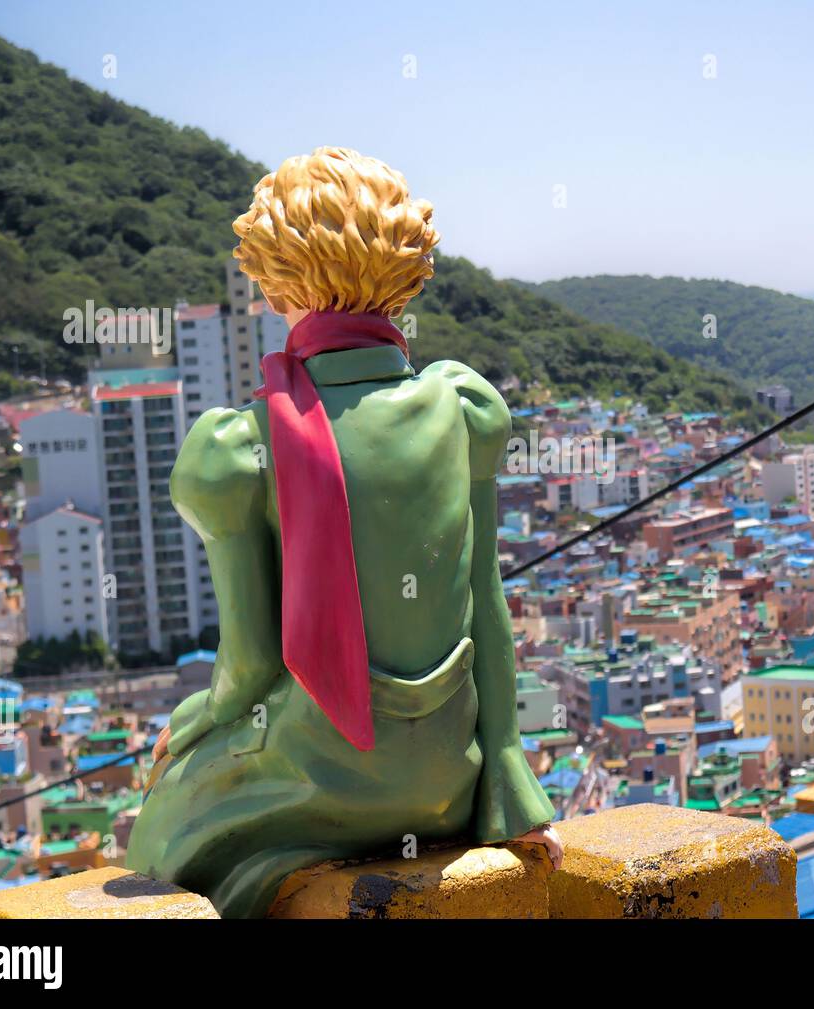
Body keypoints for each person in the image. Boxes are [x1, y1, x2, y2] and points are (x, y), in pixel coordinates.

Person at [126, 147, 561, 918]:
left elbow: (250, 667)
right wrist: (509, 778)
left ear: (272, 279)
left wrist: (189, 725)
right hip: (447, 780)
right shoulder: (462, 406)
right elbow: (487, 605)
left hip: (321, 777)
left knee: (162, 827)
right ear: (408, 268)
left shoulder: (237, 445)